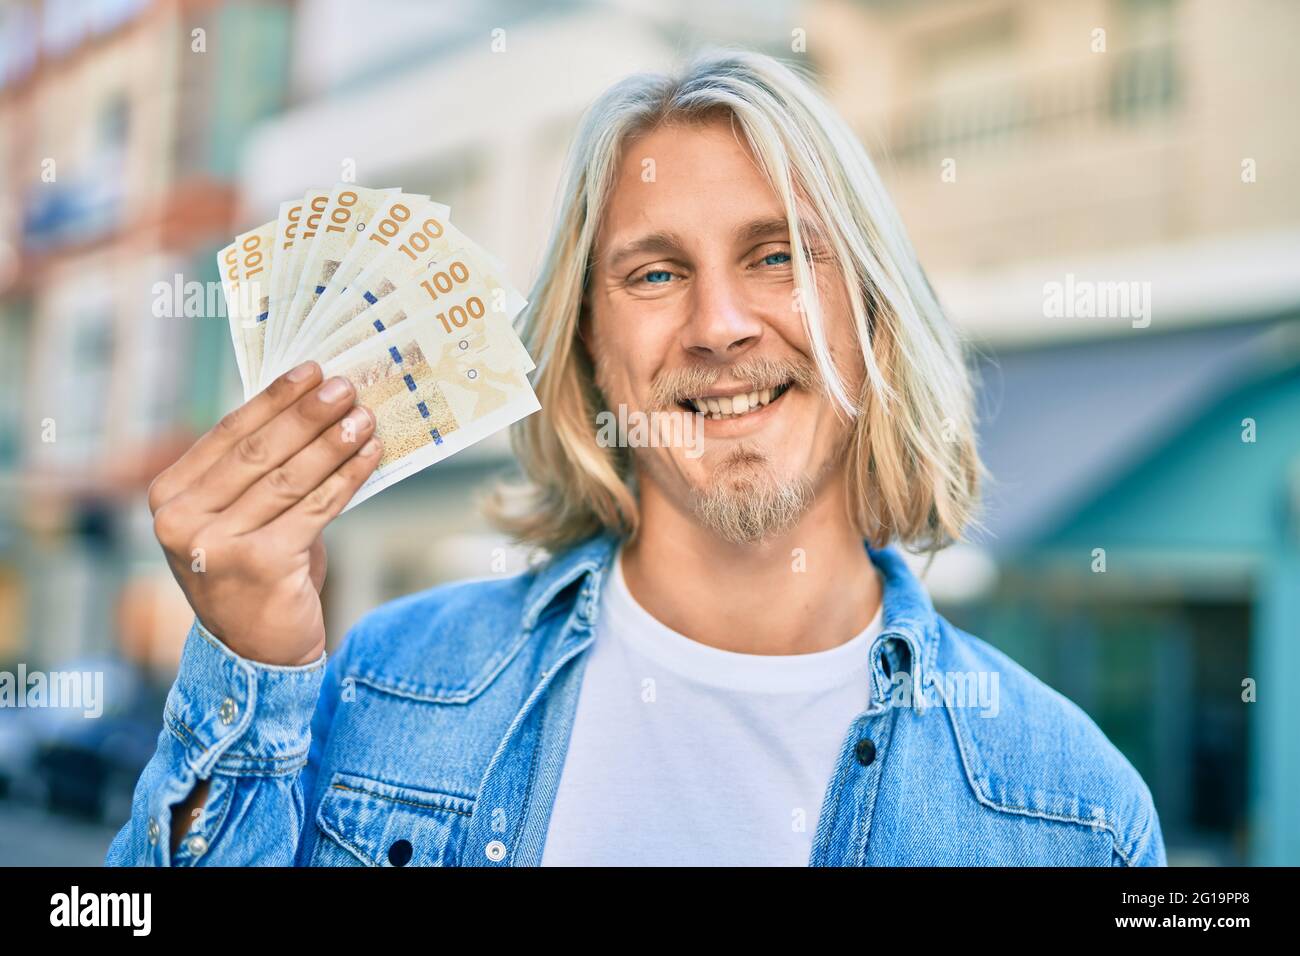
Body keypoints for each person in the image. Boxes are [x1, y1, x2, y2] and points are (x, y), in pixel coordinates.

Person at [106, 49, 1165, 867]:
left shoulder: (1073, 810)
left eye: (777, 255)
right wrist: (248, 671)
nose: (718, 326)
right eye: (654, 274)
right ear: (589, 349)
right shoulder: (383, 682)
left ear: (873, 316)